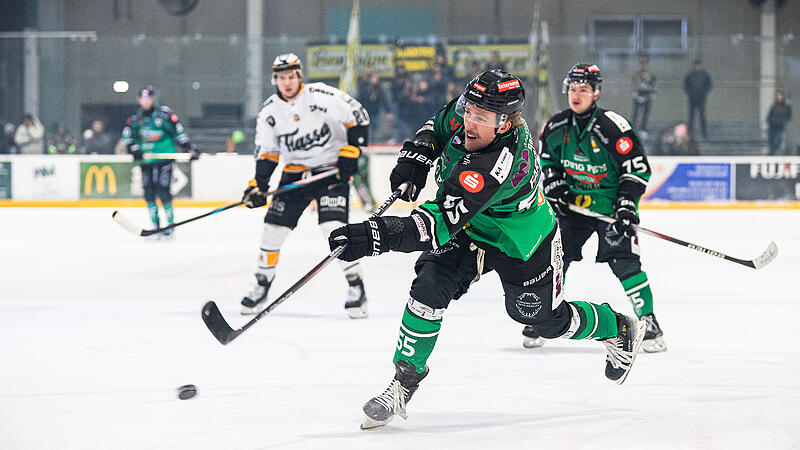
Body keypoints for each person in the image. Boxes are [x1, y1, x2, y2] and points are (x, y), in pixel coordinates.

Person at [327, 69, 646, 429]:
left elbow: (433, 226)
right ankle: (403, 382)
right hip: (470, 230)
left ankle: (615, 327)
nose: (470, 122)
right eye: (470, 109)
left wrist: (373, 236)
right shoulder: (470, 113)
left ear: (506, 125)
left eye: (482, 118)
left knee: (541, 320)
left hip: (522, 242)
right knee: (428, 289)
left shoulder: (497, 164)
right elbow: (437, 126)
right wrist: (414, 160)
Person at [520, 63, 665, 354]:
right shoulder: (557, 126)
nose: (576, 94)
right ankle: (543, 315)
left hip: (610, 209)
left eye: (583, 89)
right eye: (573, 89)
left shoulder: (613, 126)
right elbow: (547, 164)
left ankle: (648, 321)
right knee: (554, 258)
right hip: (573, 209)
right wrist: (556, 187)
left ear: (596, 93)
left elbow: (636, 169)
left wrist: (626, 204)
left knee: (625, 262)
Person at [239, 53, 372, 319]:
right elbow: (267, 153)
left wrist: (353, 149)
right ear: (275, 80)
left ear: (300, 77)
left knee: (333, 229)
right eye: (281, 78)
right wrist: (259, 184)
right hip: (295, 175)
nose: (286, 82)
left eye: (291, 76)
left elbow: (359, 115)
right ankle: (262, 284)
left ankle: (356, 286)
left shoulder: (321, 95)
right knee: (272, 229)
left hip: (330, 172)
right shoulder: (269, 113)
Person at [122, 86, 198, 237]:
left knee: (164, 190)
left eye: (148, 98)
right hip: (146, 160)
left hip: (165, 159)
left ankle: (170, 223)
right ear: (139, 100)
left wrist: (188, 147)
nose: (146, 101)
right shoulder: (135, 119)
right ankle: (155, 223)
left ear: (153, 99)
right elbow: (128, 138)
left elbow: (178, 132)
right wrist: (134, 148)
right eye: (143, 99)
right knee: (149, 192)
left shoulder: (165, 115)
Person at [683, 59, 712, 139]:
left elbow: (709, 85)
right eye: (696, 65)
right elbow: (686, 86)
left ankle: (704, 134)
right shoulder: (689, 75)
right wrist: (690, 93)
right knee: (691, 116)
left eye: (698, 65)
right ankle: (689, 133)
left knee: (702, 116)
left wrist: (703, 92)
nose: (697, 67)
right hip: (692, 98)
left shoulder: (705, 75)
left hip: (701, 98)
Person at [631, 57, 656, 133]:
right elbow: (633, 84)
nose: (643, 66)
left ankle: (643, 129)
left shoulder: (651, 74)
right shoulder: (636, 74)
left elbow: (654, 84)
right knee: (635, 113)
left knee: (646, 113)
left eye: (645, 64)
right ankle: (633, 128)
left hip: (647, 94)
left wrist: (652, 94)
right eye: (642, 64)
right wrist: (635, 94)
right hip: (638, 94)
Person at [766, 90, 792, 155]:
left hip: (780, 126)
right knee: (771, 140)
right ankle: (772, 152)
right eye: (777, 95)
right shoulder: (773, 106)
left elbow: (789, 116)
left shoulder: (786, 106)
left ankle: (775, 151)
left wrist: (784, 121)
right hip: (772, 126)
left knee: (777, 141)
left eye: (779, 95)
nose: (778, 97)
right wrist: (769, 120)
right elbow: (769, 115)